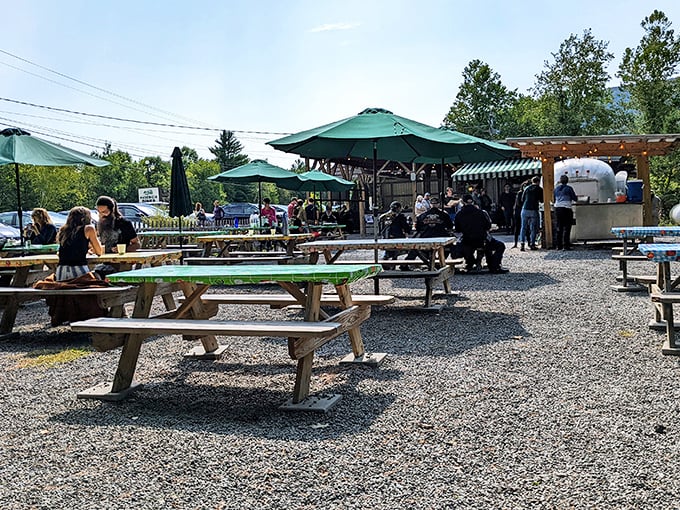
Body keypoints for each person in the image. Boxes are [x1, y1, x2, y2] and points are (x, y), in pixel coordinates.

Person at [454, 195, 508, 274]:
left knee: (460, 246)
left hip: (467, 241)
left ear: (463, 202)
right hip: (482, 240)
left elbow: (458, 229)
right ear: (472, 202)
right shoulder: (481, 212)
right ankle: (494, 265)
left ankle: (470, 262)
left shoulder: (459, 214)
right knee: (500, 245)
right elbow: (488, 226)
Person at [403, 196, 453, 269]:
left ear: (430, 204)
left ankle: (406, 263)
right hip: (441, 239)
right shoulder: (444, 215)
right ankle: (441, 261)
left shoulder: (422, 215)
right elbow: (450, 226)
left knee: (415, 247)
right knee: (449, 246)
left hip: (426, 239)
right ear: (438, 204)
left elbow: (418, 228)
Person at [55, 207, 103, 281]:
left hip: (61, 271)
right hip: (78, 269)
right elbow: (99, 252)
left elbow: (63, 251)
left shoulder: (63, 230)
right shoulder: (88, 228)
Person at [554, 174, 578, 250]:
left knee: (559, 227)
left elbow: (554, 199)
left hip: (557, 209)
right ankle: (566, 245)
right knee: (567, 227)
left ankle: (559, 245)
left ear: (560, 181)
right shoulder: (569, 188)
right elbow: (575, 198)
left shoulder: (556, 189)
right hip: (566, 208)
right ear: (567, 181)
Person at [520, 176, 543, 251]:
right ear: (538, 182)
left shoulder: (527, 188)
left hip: (525, 209)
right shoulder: (539, 189)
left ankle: (522, 244)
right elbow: (542, 200)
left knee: (523, 227)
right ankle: (532, 244)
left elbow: (522, 199)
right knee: (533, 228)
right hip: (533, 210)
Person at [512, 181, 529, 248]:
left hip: (521, 211)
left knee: (525, 227)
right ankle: (516, 243)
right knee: (518, 227)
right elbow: (518, 203)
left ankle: (528, 242)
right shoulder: (520, 193)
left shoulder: (525, 193)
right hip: (518, 212)